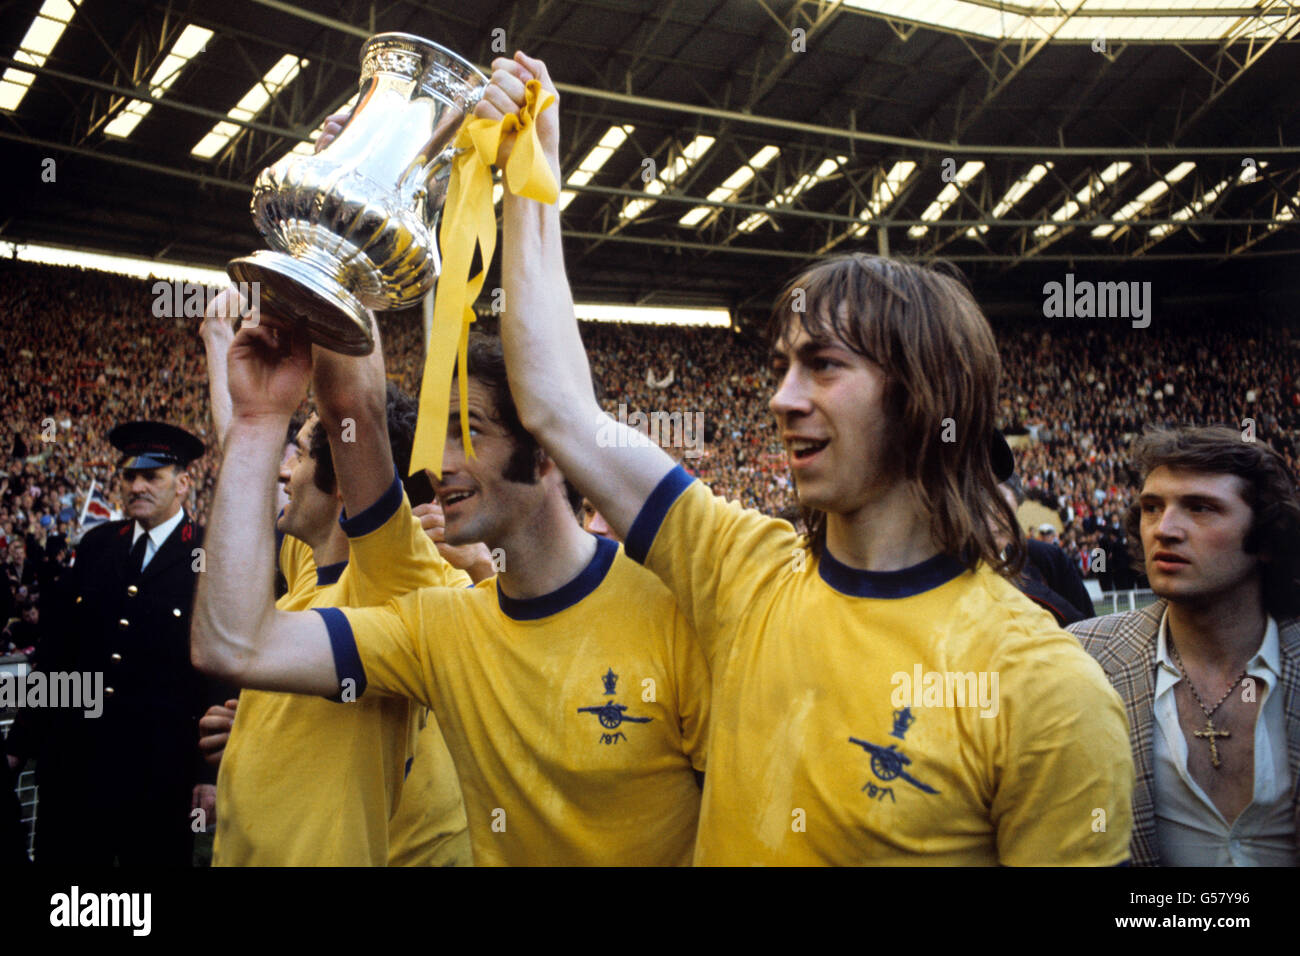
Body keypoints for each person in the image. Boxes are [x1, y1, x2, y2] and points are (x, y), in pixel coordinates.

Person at [477, 51, 1134, 865]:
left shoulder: (1045, 689)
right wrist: (529, 171)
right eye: (783, 365)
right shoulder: (741, 569)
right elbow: (556, 408)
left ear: (921, 395)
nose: (783, 398)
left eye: (823, 365)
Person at [191, 329, 710, 866]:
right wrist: (256, 422)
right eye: (435, 441)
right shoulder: (436, 629)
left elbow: (743, 809)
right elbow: (232, 646)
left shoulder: (673, 604)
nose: (436, 466)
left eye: (468, 433)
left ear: (547, 450)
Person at [196, 290, 473, 866]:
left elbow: (353, 410)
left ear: (345, 479)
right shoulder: (309, 565)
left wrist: (336, 267)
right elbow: (244, 466)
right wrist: (219, 341)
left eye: (298, 455)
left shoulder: (395, 580)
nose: (283, 470)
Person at [1068, 426, 1300, 866]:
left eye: (1200, 508)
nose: (1165, 529)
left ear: (1267, 538)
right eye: (1151, 507)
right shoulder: (1080, 659)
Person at [6, 421, 228, 865]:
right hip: (77, 759)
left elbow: (219, 673)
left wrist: (209, 772)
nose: (137, 485)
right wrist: (19, 743)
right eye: (129, 475)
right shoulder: (97, 545)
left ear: (183, 483)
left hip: (159, 769)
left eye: (152, 476)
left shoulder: (209, 555)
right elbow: (56, 653)